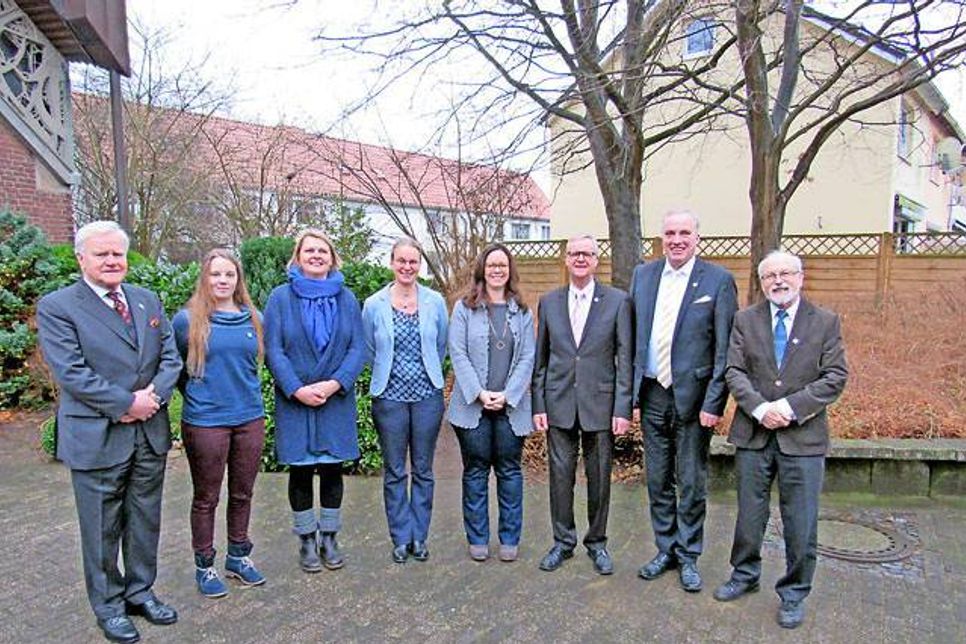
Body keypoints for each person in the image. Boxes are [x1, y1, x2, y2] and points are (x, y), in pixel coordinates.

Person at [36, 220, 182, 643]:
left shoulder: (146, 299)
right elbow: (71, 372)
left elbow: (170, 357)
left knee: (145, 519)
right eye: (102, 254)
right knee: (101, 528)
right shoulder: (59, 306)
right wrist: (126, 404)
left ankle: (140, 592)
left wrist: (153, 398)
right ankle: (109, 606)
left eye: (118, 253)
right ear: (81, 258)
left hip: (149, 431)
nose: (112, 260)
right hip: (97, 435)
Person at [713, 250, 848, 629]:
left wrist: (788, 408)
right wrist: (759, 409)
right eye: (770, 275)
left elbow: (835, 377)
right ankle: (744, 574)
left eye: (786, 273)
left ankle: (794, 592)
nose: (779, 281)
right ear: (761, 282)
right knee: (749, 514)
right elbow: (734, 371)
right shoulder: (745, 320)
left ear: (801, 277)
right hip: (753, 433)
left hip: (802, 437)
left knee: (800, 519)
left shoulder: (824, 322)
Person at [630, 209, 737, 593]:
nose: (676, 240)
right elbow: (632, 337)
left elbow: (725, 348)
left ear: (697, 238)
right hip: (652, 393)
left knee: (691, 482)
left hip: (693, 398)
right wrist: (629, 397)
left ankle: (689, 554)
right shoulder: (643, 276)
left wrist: (714, 402)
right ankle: (666, 549)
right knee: (658, 479)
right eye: (670, 233)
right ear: (662, 238)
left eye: (684, 233)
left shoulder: (718, 281)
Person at [264, 229, 366, 573]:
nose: (316, 256)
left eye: (323, 251)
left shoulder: (347, 299)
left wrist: (335, 384)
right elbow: (273, 349)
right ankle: (307, 539)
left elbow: (357, 348)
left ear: (332, 258)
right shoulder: (280, 298)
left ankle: (330, 537)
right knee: (301, 470)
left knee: (333, 469)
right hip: (296, 401)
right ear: (298, 256)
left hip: (334, 400)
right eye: (310, 250)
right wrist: (296, 389)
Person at [532, 235, 633, 575]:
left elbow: (625, 359)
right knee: (560, 478)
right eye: (574, 253)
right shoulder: (549, 302)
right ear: (566, 258)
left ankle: (597, 542)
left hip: (600, 404)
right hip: (558, 402)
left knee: (599, 477)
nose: (580, 258)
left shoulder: (617, 301)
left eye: (587, 254)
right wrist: (538, 403)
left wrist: (622, 408)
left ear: (596, 260)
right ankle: (563, 542)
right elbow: (541, 359)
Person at [172, 249, 266, 598]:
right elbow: (176, 368)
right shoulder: (187, 320)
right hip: (206, 422)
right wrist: (200, 396)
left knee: (243, 493)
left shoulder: (254, 318)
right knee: (206, 497)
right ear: (205, 278)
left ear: (238, 279)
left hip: (249, 418)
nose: (222, 280)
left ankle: (238, 556)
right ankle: (205, 565)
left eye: (229, 274)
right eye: (216, 274)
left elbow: (253, 367)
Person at [362, 238, 448, 564]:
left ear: (420, 265)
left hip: (427, 395)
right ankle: (400, 537)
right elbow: (370, 349)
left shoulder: (435, 301)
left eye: (413, 261)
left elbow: (441, 345)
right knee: (395, 470)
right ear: (392, 262)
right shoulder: (374, 304)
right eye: (402, 261)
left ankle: (419, 536)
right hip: (389, 397)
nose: (407, 267)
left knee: (423, 469)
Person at [448, 244, 535, 562]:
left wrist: (508, 394)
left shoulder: (522, 311)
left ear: (510, 270)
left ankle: (510, 538)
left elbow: (528, 356)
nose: (497, 270)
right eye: (492, 264)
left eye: (503, 265)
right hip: (472, 406)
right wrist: (479, 393)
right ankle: (478, 538)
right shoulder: (464, 308)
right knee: (475, 471)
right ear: (482, 270)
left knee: (510, 471)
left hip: (511, 406)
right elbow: (457, 352)